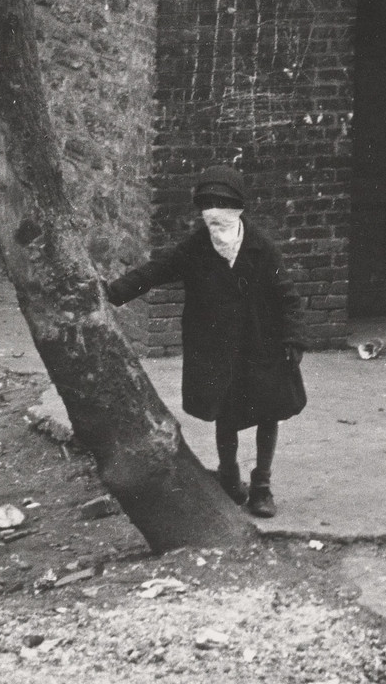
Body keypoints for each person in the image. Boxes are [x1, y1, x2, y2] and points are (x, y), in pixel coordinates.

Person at [104, 164, 310, 517]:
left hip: (261, 346)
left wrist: (292, 339)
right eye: (210, 216)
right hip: (218, 350)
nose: (217, 224)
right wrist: (115, 291)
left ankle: (261, 485)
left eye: (224, 216)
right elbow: (157, 270)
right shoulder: (196, 248)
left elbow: (287, 296)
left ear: (239, 212)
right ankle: (229, 479)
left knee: (268, 414)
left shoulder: (262, 248)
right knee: (226, 415)